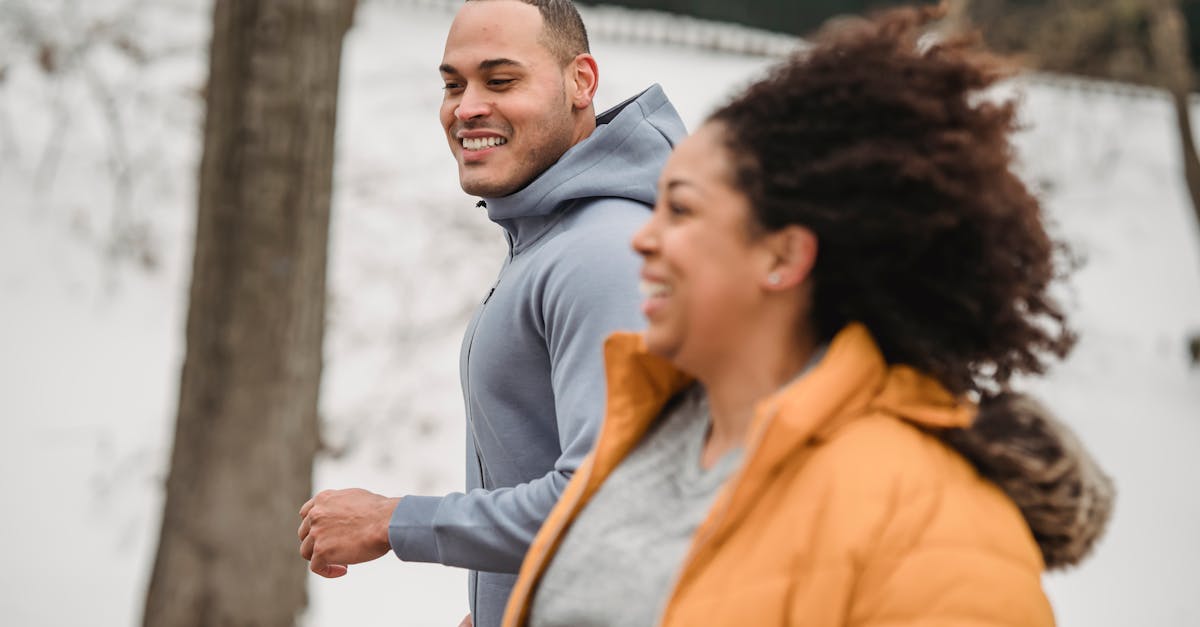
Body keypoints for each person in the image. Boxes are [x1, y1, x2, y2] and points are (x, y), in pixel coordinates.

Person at [501, 7, 1114, 626]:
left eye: (681, 211)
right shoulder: (653, 437)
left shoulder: (935, 523)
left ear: (784, 255)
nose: (641, 239)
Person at [296, 1, 686, 626]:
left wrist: (393, 521)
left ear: (580, 82)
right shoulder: (554, 240)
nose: (466, 106)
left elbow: (606, 503)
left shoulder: (605, 251)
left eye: (500, 80)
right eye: (453, 84)